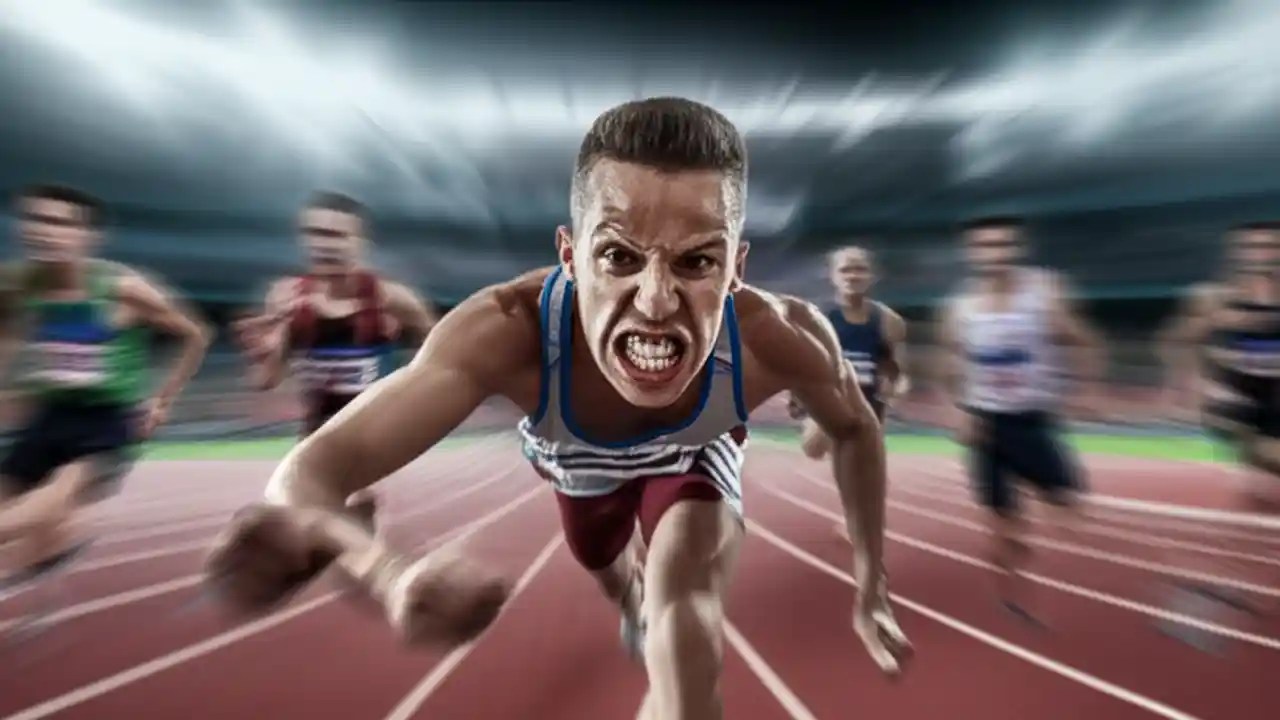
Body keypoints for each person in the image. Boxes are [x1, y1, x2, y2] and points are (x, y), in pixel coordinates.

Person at [203, 97, 911, 719]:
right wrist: (389, 574)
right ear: (569, 258)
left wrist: (872, 585)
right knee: (606, 564)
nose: (657, 302)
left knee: (684, 608)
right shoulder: (507, 330)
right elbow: (304, 475)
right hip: (579, 463)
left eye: (696, 262)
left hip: (697, 456)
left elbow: (857, 429)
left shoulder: (777, 339)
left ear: (736, 269)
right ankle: (627, 601)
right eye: (620, 258)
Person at [0, 184, 212, 586]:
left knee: (42, 508)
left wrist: (162, 401)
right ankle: (53, 550)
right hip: (50, 412)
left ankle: (50, 540)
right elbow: (6, 331)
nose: (43, 230)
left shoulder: (124, 289)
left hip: (105, 421)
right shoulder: (22, 284)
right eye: (34, 219)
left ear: (87, 236)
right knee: (21, 519)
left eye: (58, 222)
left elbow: (196, 333)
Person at [231, 192, 438, 528]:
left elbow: (439, 349)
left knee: (318, 514)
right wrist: (263, 353)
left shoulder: (392, 298)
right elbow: (266, 380)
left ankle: (360, 529)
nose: (324, 245)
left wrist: (408, 392)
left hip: (368, 432)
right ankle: (363, 538)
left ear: (361, 244)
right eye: (314, 233)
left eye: (337, 235)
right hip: (314, 431)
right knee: (309, 524)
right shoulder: (286, 298)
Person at [936, 216, 1103, 623]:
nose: (995, 255)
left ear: (1018, 248)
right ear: (972, 254)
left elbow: (1084, 340)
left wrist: (1084, 390)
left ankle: (1039, 519)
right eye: (985, 247)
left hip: (1031, 421)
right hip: (984, 428)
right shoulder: (959, 307)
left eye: (1003, 245)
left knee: (1071, 508)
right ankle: (1013, 598)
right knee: (1003, 530)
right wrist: (955, 408)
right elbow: (947, 362)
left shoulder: (1045, 293)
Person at [1157, 222, 1280, 511]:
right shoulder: (1212, 296)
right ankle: (1255, 463)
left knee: (1267, 464)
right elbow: (1175, 340)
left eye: (1269, 247)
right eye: (1251, 247)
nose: (1260, 255)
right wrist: (1188, 382)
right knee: (1264, 455)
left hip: (1276, 392)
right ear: (1236, 253)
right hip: (1232, 392)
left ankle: (1256, 474)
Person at [799, 245, 908, 459]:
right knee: (813, 451)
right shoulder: (816, 318)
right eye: (845, 270)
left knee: (862, 466)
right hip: (830, 399)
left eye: (860, 269)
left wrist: (897, 390)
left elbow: (899, 371)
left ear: (872, 276)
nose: (853, 276)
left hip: (869, 403)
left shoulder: (889, 321)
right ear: (832, 276)